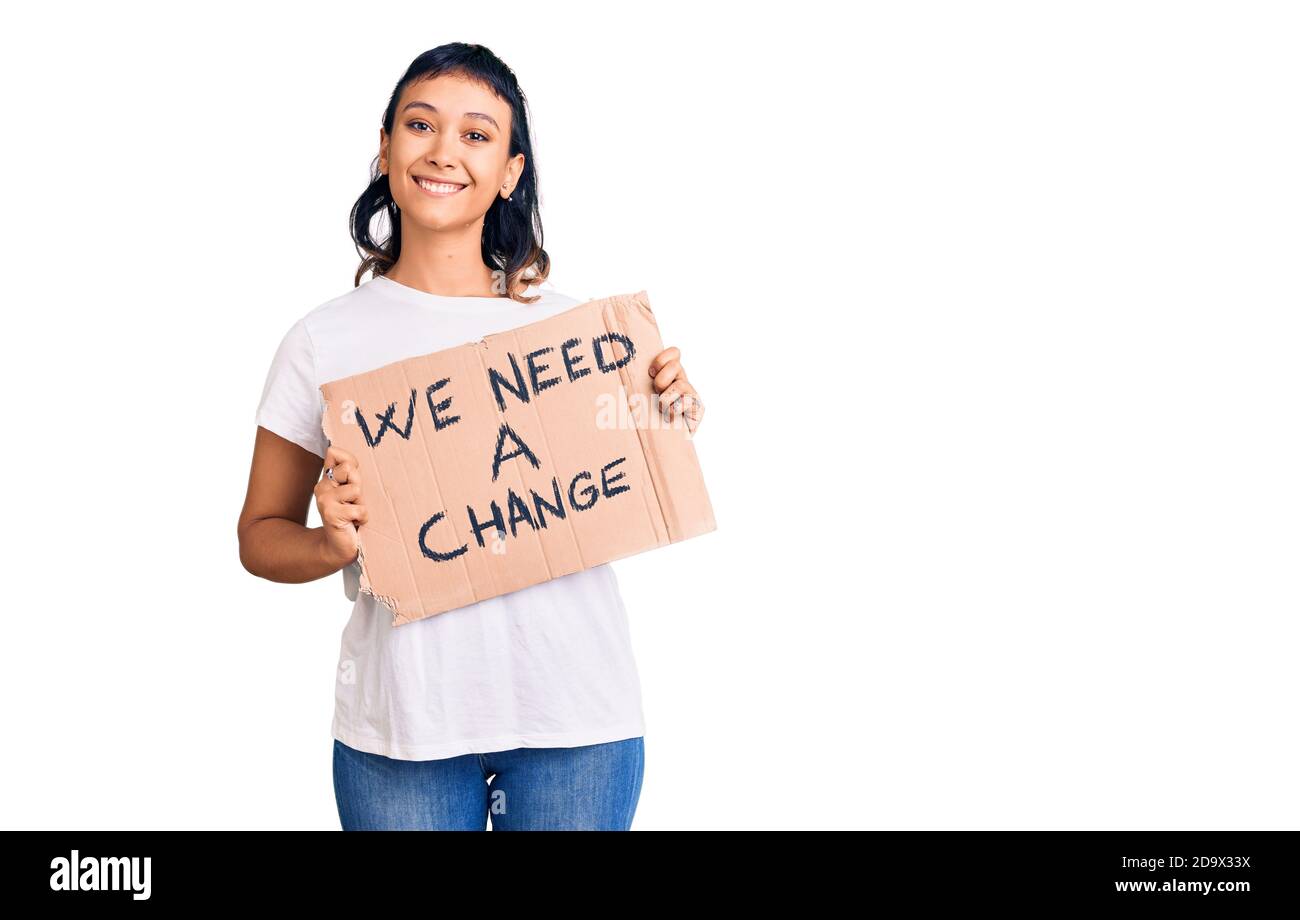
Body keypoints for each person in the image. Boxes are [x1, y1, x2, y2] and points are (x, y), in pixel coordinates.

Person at [237, 43, 704, 831]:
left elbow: (630, 466)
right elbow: (259, 535)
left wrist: (667, 410)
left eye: (477, 134)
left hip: (577, 722)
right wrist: (331, 544)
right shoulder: (321, 341)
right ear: (385, 149)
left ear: (511, 171)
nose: (444, 151)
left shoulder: (574, 331)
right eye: (420, 125)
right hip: (403, 728)